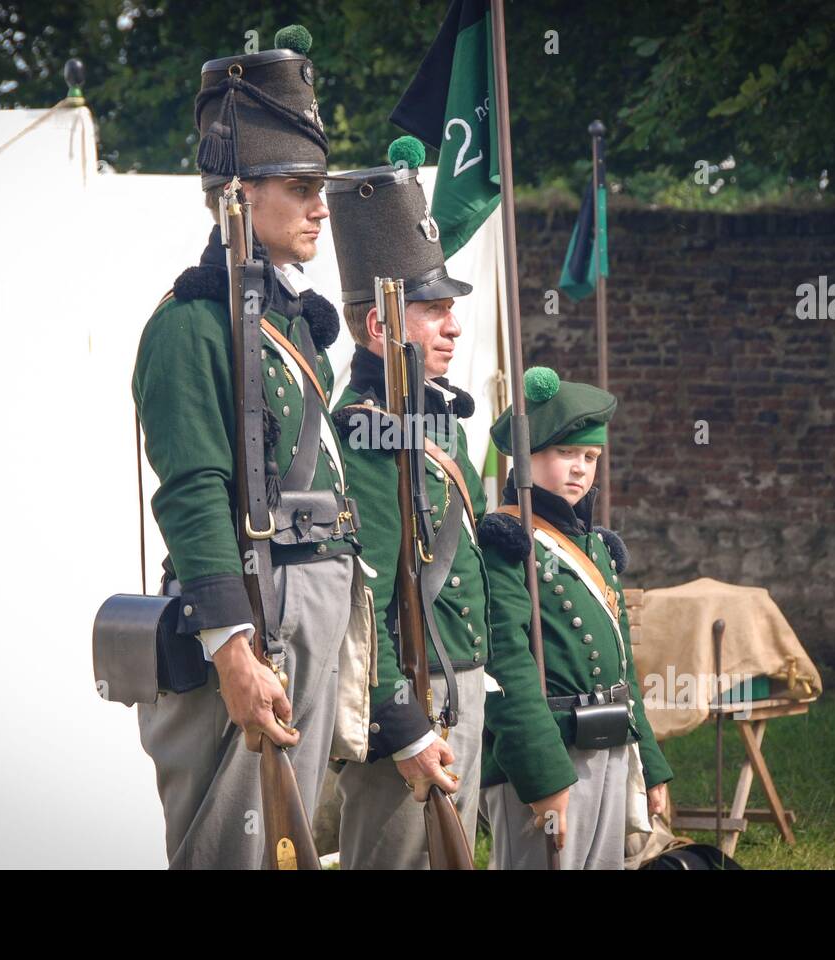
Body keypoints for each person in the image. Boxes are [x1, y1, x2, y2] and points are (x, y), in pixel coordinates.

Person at [131, 24, 361, 869]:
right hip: (254, 613)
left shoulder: (286, 328)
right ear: (238, 194)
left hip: (310, 603)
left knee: (289, 851)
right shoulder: (191, 327)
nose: (320, 205)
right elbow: (193, 491)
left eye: (321, 185)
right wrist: (230, 648)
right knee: (234, 848)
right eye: (300, 186)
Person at [323, 136, 497, 868]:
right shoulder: (362, 433)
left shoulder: (433, 422)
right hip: (412, 707)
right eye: (431, 310)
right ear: (380, 325)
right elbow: (359, 596)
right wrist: (404, 725)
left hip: (462, 690)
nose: (454, 325)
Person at [478, 366, 673, 869]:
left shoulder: (597, 548)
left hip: (608, 739)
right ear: (527, 454)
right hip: (547, 749)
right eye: (565, 453)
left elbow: (625, 670)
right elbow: (505, 670)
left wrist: (649, 764)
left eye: (590, 457)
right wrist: (543, 776)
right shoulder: (507, 540)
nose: (580, 469)